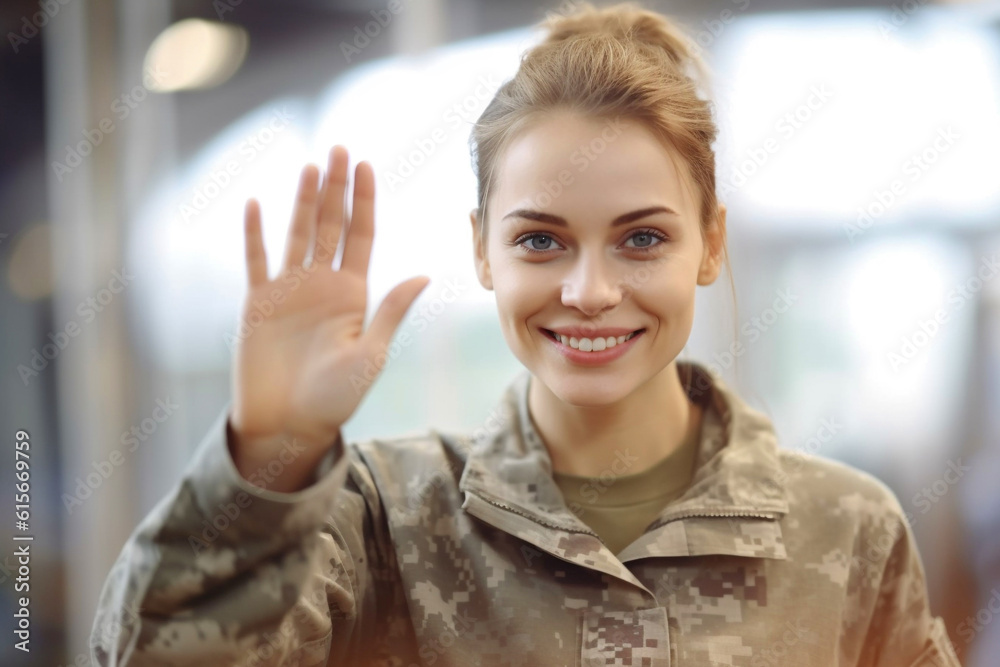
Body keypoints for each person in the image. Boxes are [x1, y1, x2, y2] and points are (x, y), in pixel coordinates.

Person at [89, 2, 962, 665]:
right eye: (540, 240)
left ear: (712, 244)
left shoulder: (848, 529)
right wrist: (266, 461)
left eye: (643, 238)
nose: (589, 291)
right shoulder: (381, 519)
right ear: (482, 250)